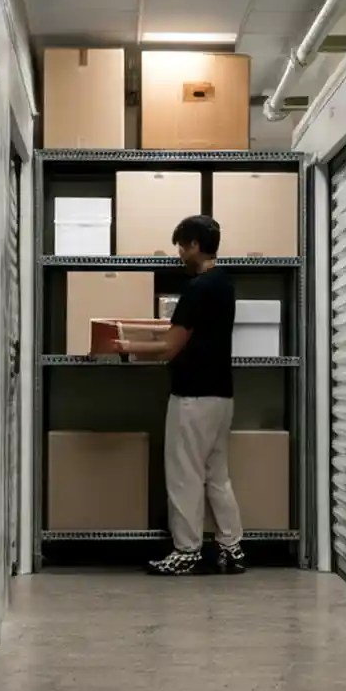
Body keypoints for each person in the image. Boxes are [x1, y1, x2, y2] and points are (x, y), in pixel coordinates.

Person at [115, 214, 245, 576]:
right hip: (222, 396)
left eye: (181, 245)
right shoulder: (224, 284)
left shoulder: (197, 289)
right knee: (217, 476)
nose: (178, 252)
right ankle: (231, 549)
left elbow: (172, 347)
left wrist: (126, 345)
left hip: (193, 396)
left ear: (194, 245)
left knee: (184, 475)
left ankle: (186, 551)